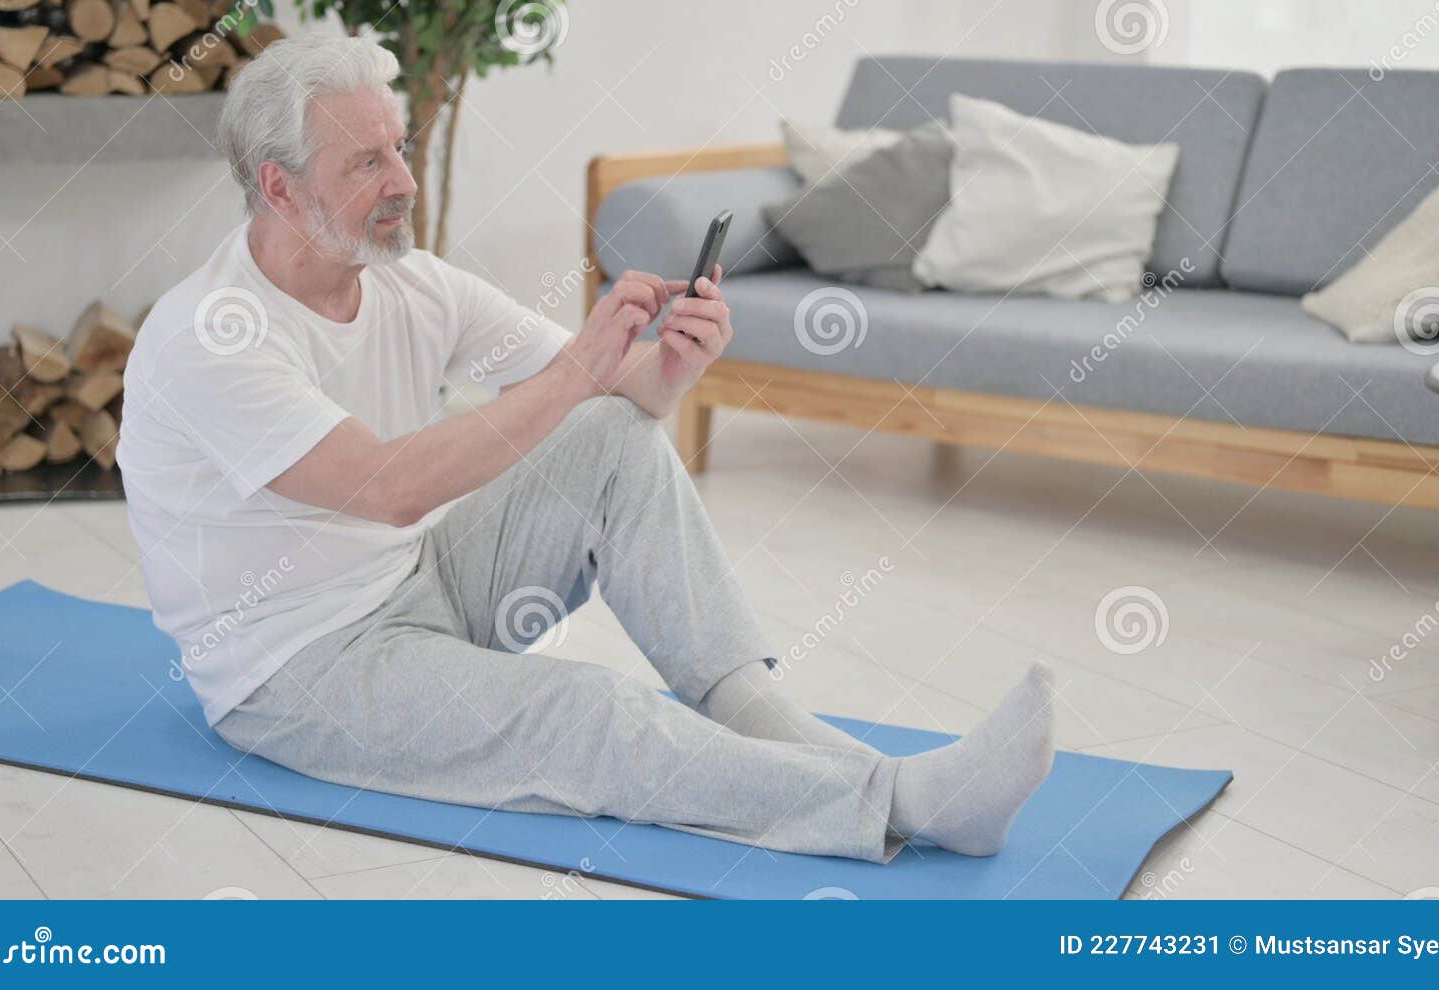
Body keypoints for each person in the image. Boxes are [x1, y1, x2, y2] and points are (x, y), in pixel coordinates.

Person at [117, 35, 1055, 865]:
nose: (403, 180)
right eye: (367, 162)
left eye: (399, 146)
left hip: (421, 581)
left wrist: (672, 364)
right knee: (591, 714)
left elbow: (614, 395)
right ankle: (901, 806)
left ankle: (781, 728)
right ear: (280, 186)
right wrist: (577, 372)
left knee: (611, 433)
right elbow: (389, 486)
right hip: (299, 668)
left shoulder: (405, 280)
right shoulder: (212, 335)